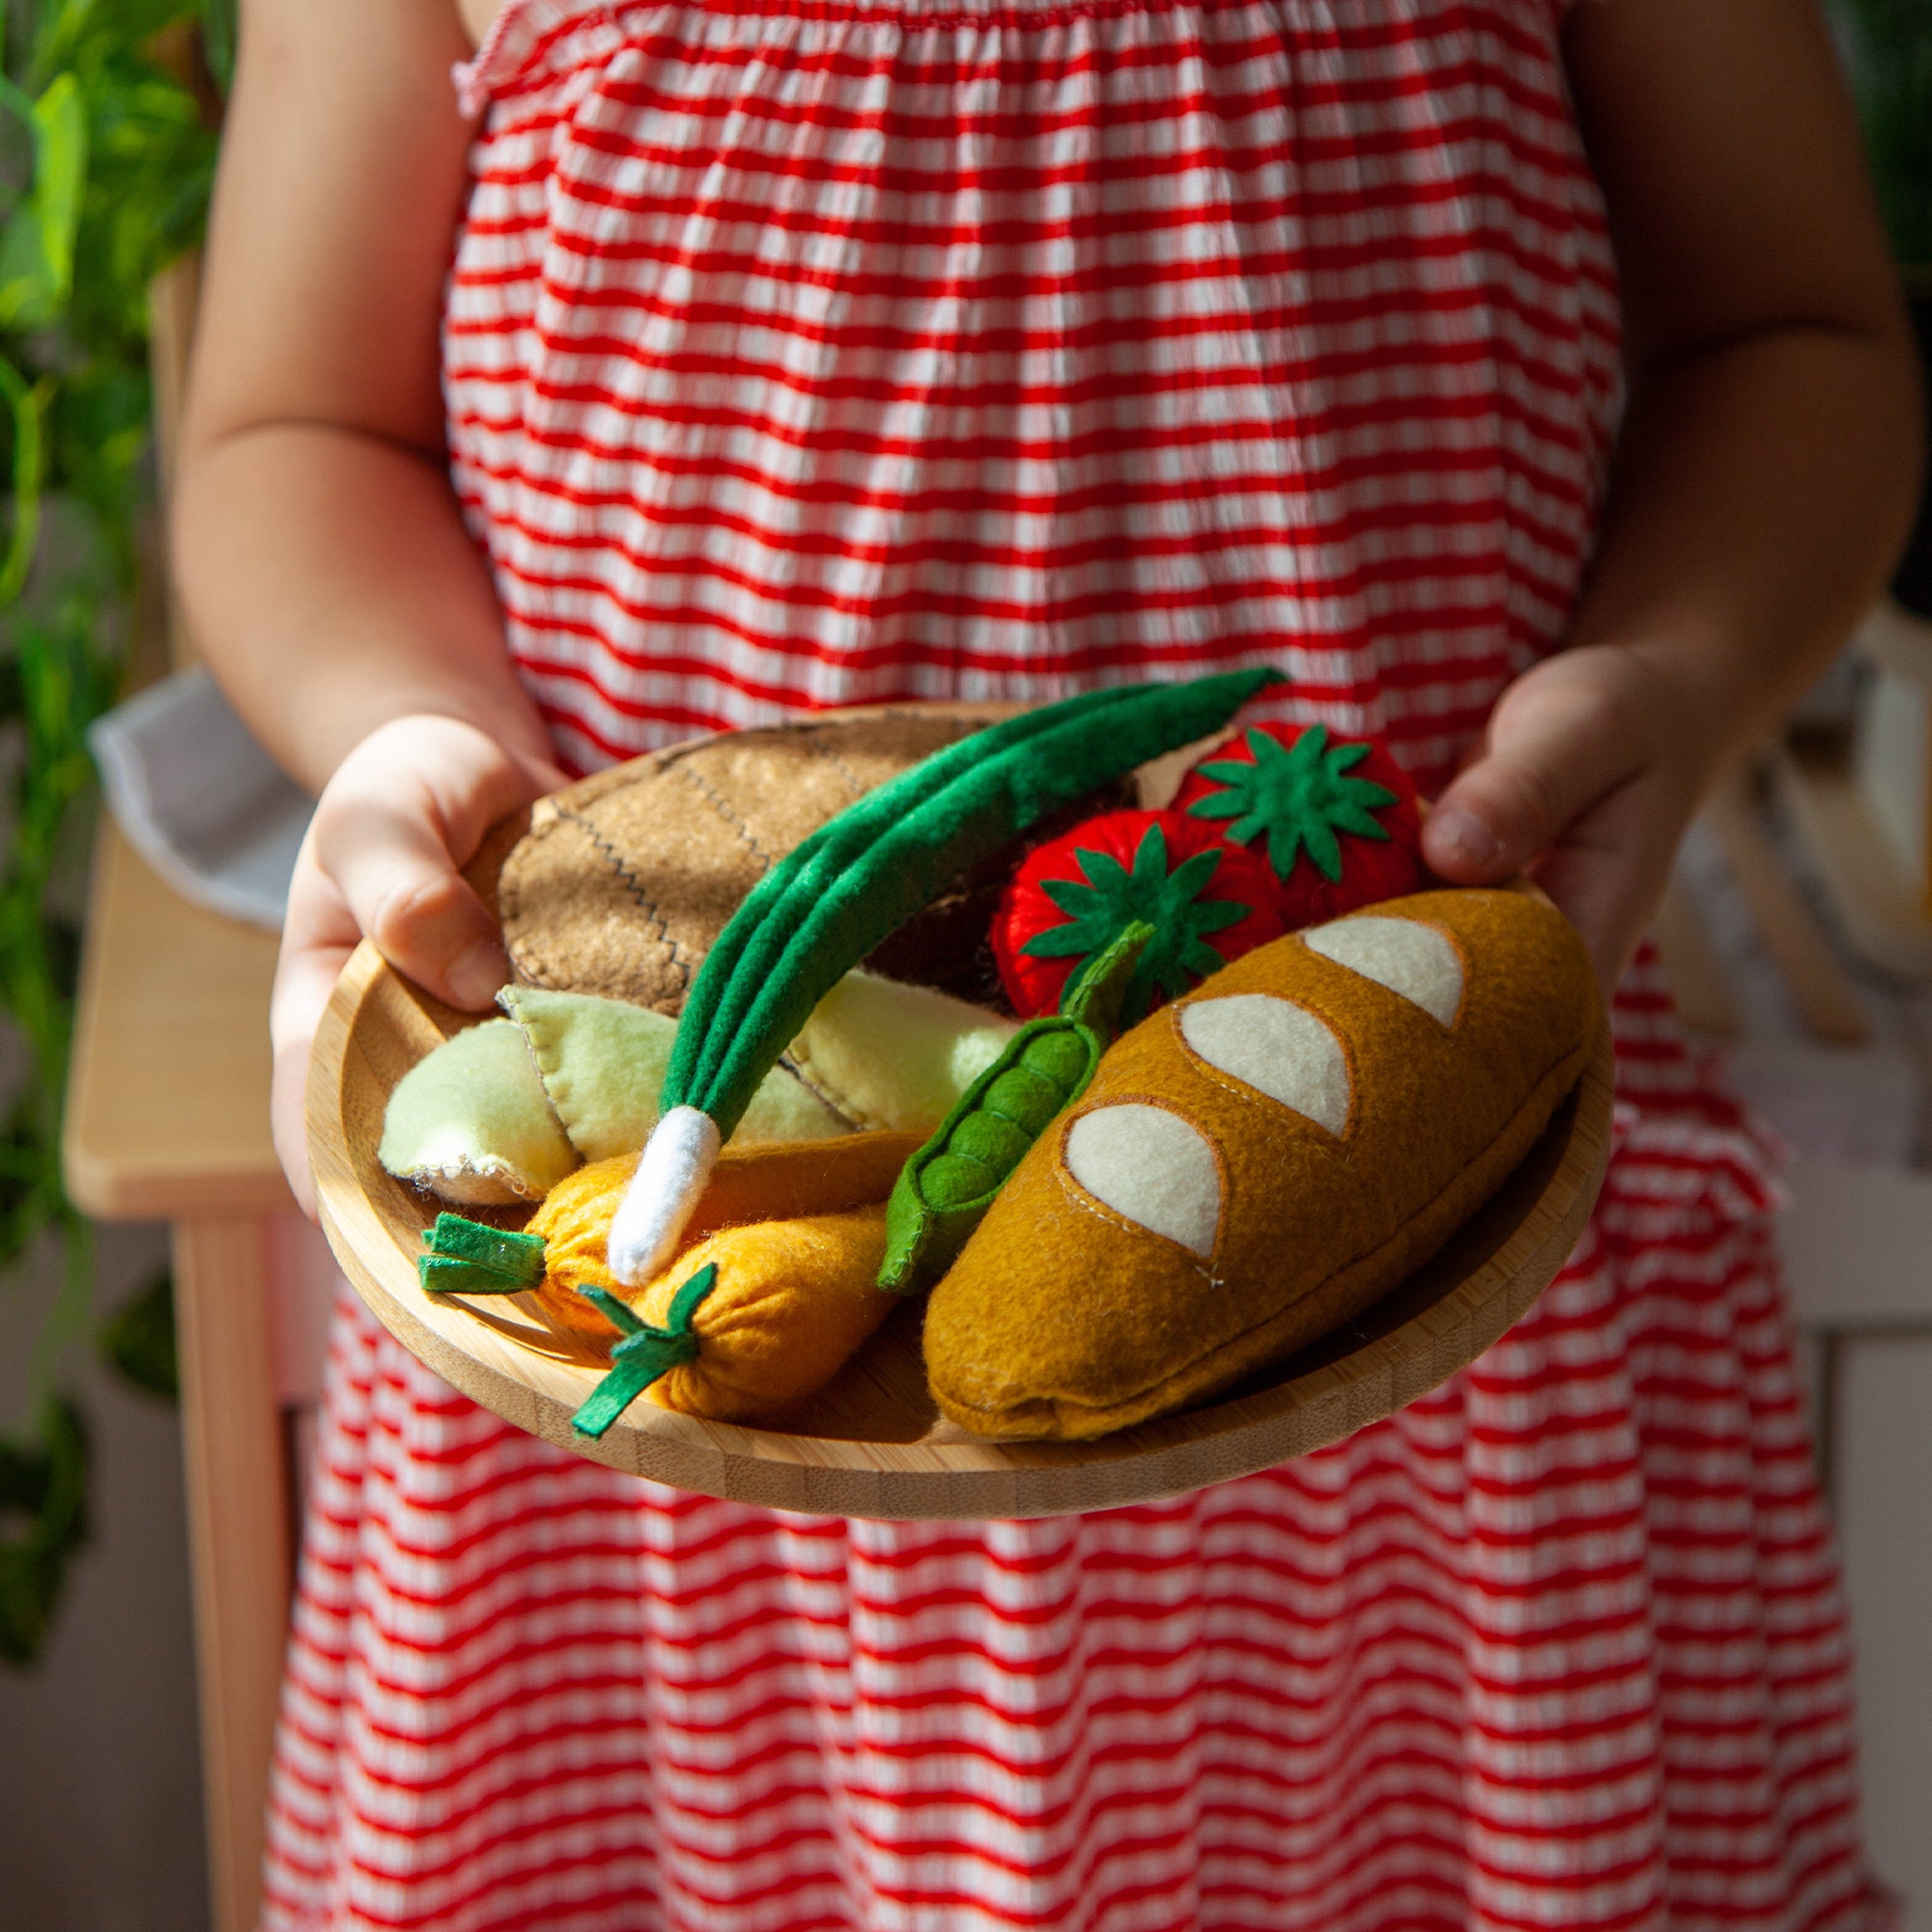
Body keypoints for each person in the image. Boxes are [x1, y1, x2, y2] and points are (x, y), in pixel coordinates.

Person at [174, 0, 1920, 1922]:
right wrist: (405, 714)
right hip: (673, 1336)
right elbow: (298, 424)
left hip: (1414, 1296)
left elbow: (1792, 340)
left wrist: (1674, 671)